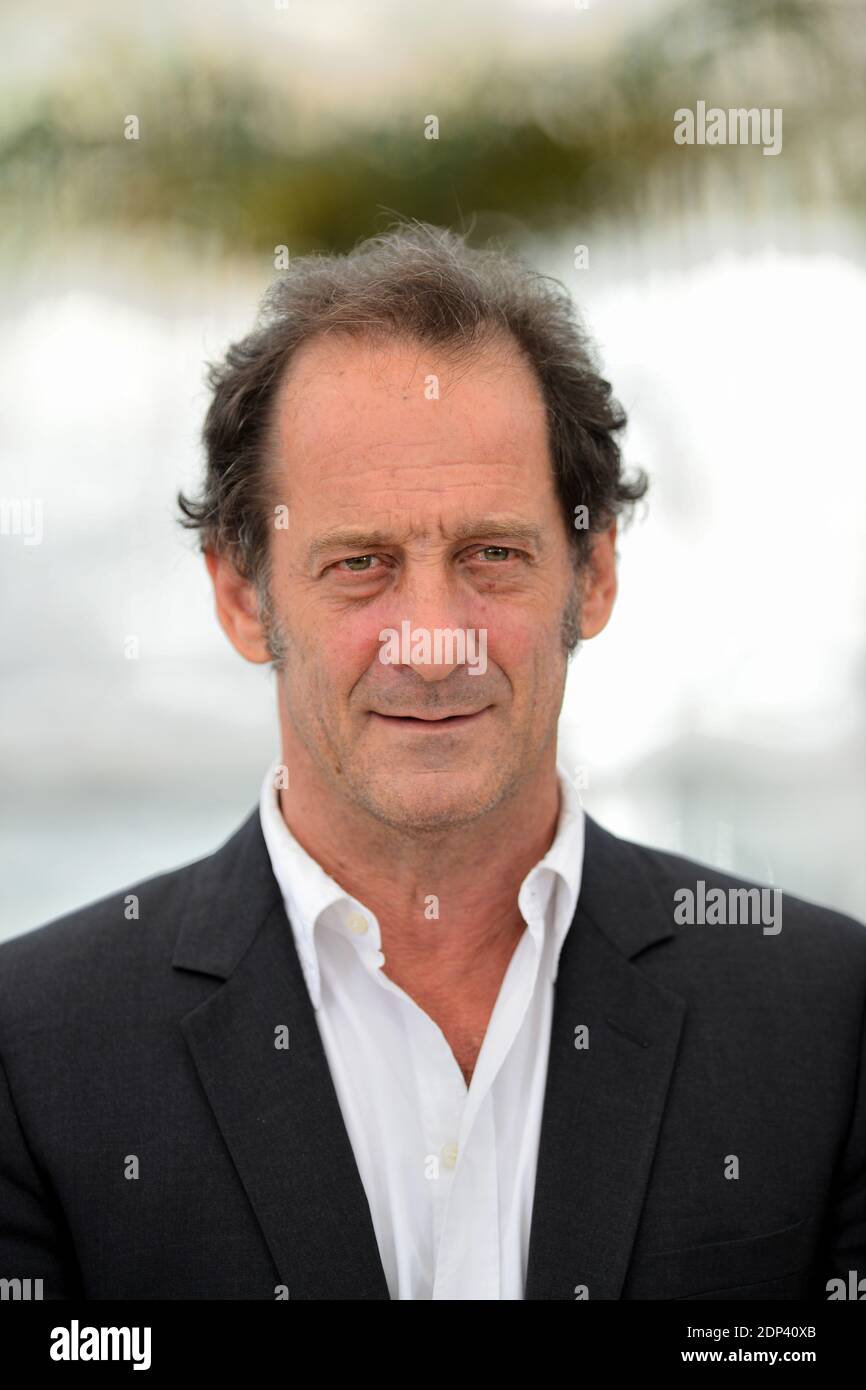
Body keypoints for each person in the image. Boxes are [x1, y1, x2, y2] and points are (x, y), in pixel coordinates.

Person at [1, 223, 863, 1301]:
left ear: (591, 574)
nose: (431, 639)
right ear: (240, 594)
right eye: (360, 565)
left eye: (490, 555)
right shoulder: (33, 1054)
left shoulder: (825, 1018)